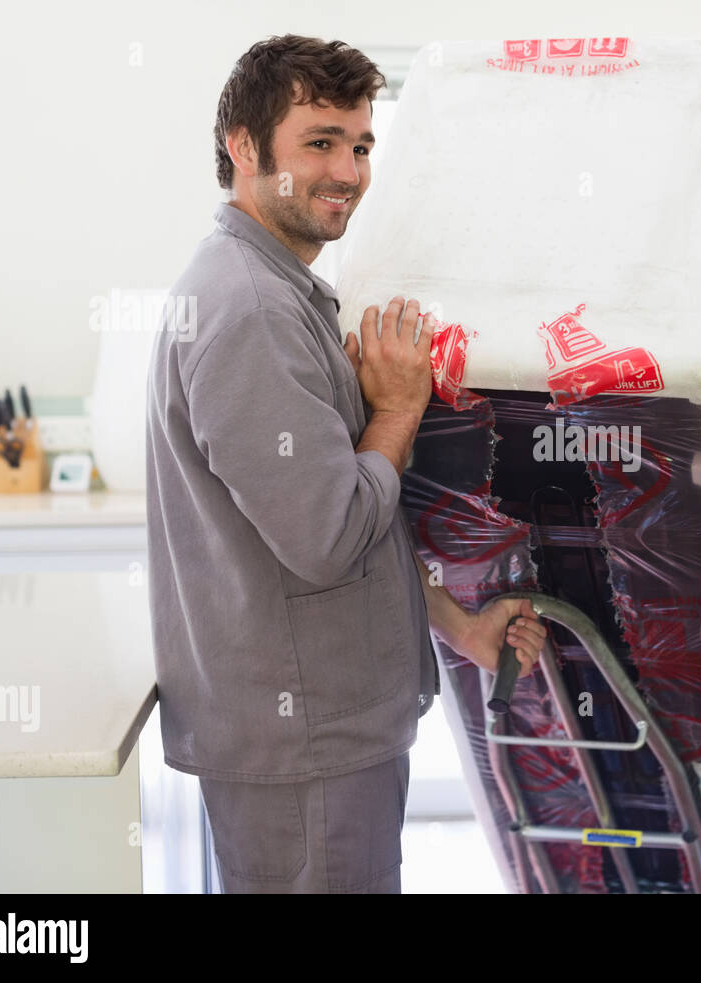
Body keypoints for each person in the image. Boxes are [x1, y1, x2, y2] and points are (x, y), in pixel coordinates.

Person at [145, 34, 546, 894]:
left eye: (362, 145)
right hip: (305, 750)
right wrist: (399, 409)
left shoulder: (276, 288)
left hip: (317, 737)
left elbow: (341, 523)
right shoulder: (248, 308)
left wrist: (458, 626)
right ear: (245, 150)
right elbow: (331, 534)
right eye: (320, 142)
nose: (350, 171)